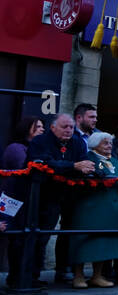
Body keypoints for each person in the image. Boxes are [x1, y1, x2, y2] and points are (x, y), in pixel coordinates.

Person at [27, 113, 93, 284]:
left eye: (71, 127)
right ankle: (31, 275)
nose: (69, 130)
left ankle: (63, 270)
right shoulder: (40, 141)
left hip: (70, 193)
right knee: (42, 234)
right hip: (46, 193)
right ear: (53, 127)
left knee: (68, 233)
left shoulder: (77, 142)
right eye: (65, 127)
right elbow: (44, 163)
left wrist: (83, 167)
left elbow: (83, 162)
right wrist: (72, 166)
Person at [66, 131, 118, 289]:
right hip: (89, 206)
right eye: (105, 143)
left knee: (104, 241)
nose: (109, 146)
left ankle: (97, 276)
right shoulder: (87, 159)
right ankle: (78, 276)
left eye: (110, 143)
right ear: (95, 145)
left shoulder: (115, 161)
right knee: (83, 239)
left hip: (110, 206)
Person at [2, 116, 44, 289]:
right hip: (13, 199)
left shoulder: (35, 148)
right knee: (17, 238)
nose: (42, 129)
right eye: (38, 126)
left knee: (27, 238)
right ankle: (16, 276)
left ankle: (28, 275)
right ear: (28, 128)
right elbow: (25, 169)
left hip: (28, 200)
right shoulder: (16, 148)